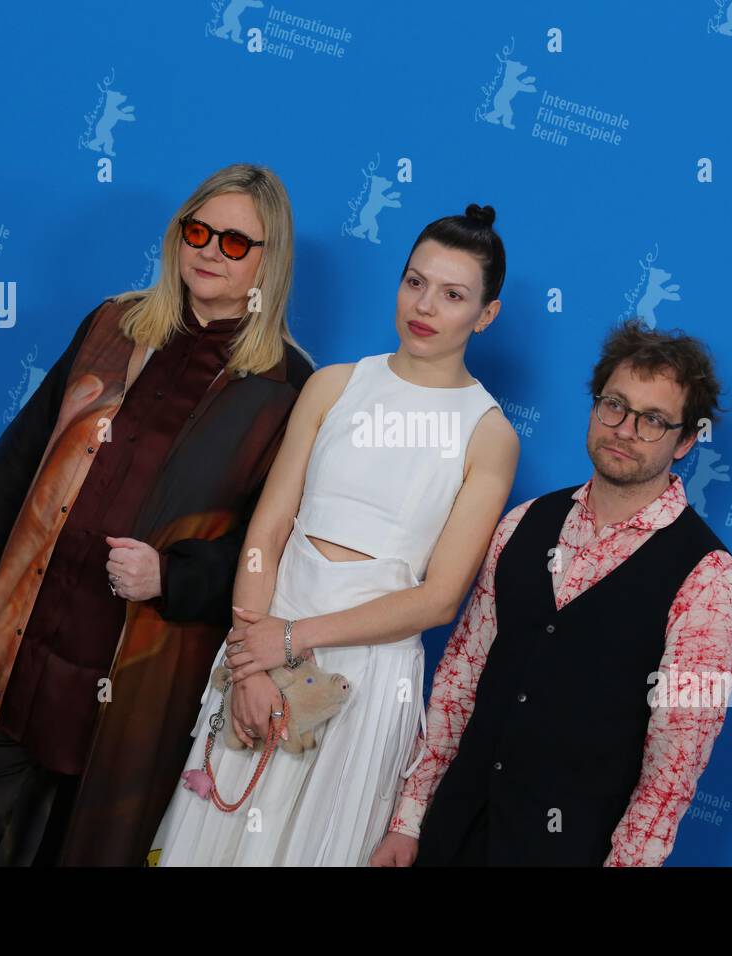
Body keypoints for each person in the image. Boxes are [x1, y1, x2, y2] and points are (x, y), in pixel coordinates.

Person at [0, 163, 314, 866]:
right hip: (29, 620)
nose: (211, 251)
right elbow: (24, 449)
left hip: (138, 652)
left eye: (237, 242)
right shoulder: (115, 324)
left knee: (80, 835)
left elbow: (266, 543)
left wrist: (173, 575)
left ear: (269, 263)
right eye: (199, 230)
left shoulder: (288, 385)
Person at [149, 203, 520, 866]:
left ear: (485, 314)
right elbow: (266, 530)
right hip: (259, 642)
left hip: (364, 680)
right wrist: (252, 657)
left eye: (453, 294)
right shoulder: (333, 386)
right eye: (414, 282)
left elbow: (438, 600)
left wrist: (291, 642)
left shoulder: (488, 435)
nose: (425, 305)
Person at [372, 318, 732, 866]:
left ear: (686, 440)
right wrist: (409, 820)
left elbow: (674, 764)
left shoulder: (710, 581)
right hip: (453, 833)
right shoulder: (523, 522)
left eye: (652, 421)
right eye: (614, 405)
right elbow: (461, 676)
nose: (625, 429)